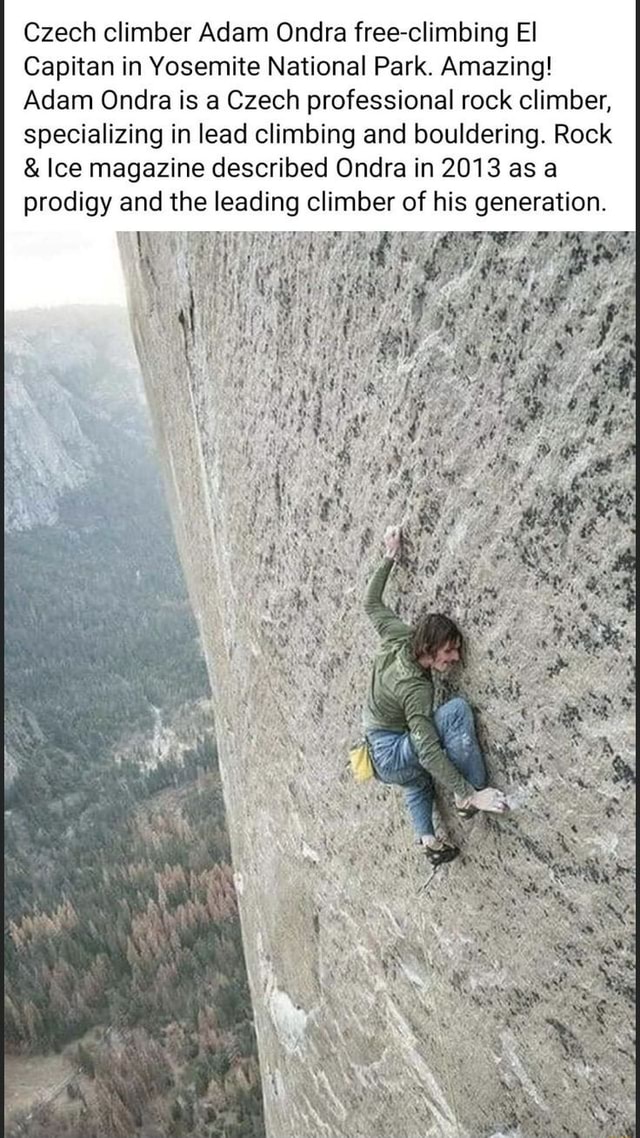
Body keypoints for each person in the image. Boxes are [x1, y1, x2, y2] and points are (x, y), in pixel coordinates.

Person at [363, 525, 508, 865]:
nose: (454, 658)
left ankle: (428, 840)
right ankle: (471, 798)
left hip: (378, 755)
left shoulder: (400, 635)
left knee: (417, 782)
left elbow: (371, 603)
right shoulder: (416, 688)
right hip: (390, 751)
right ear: (428, 648)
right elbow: (427, 750)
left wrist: (390, 556)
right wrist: (468, 792)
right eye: (448, 651)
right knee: (455, 711)